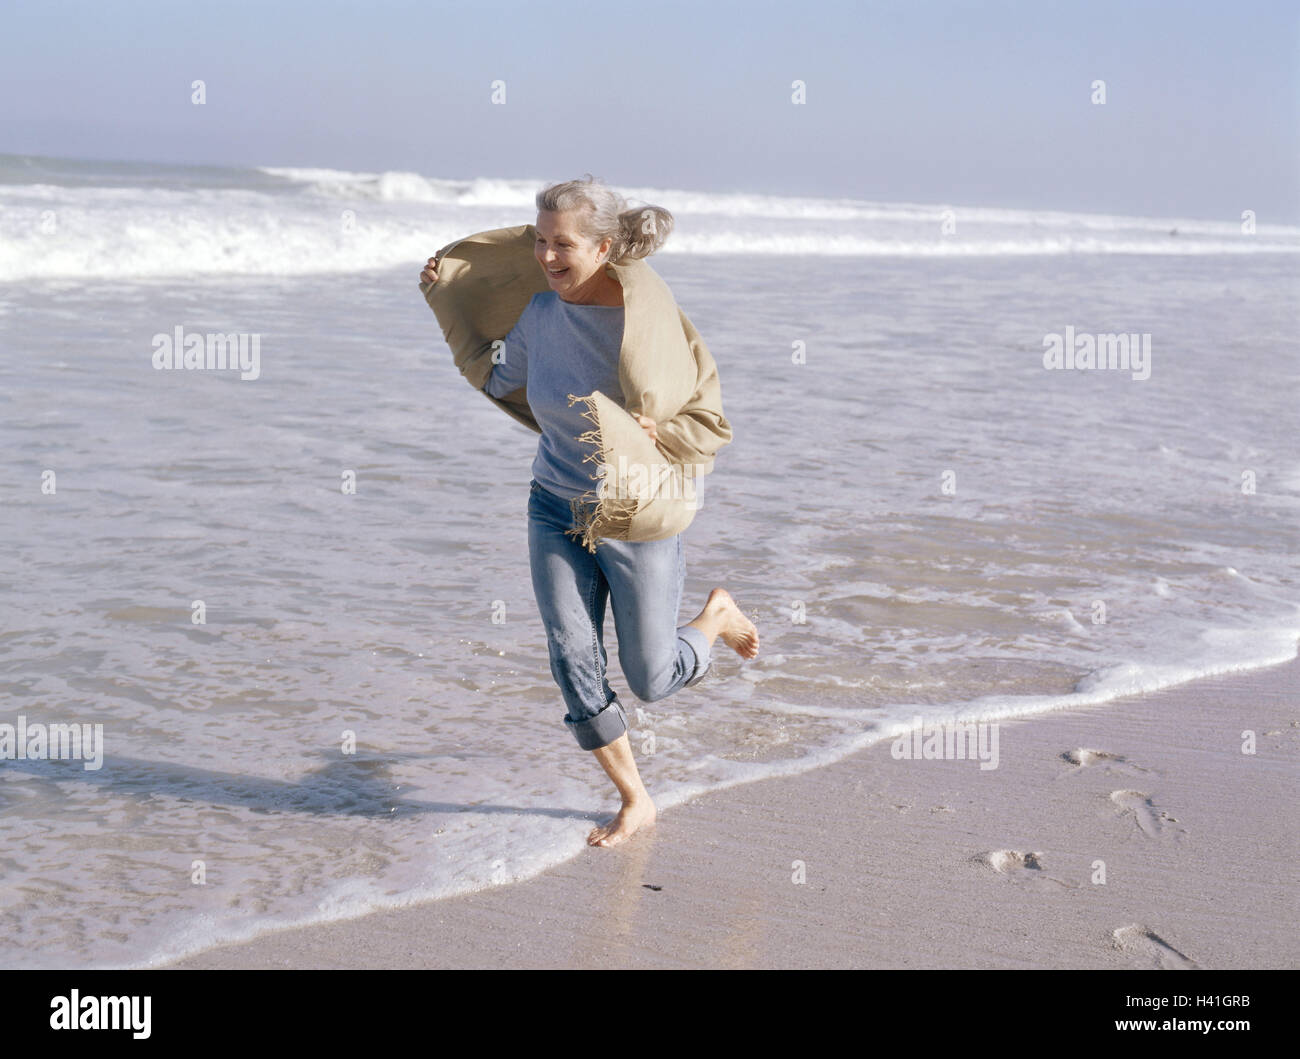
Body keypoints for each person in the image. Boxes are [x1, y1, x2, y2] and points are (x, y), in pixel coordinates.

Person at [420, 177, 758, 848]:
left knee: (652, 678)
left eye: (563, 244)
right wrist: (447, 296)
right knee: (572, 654)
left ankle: (714, 618)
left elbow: (711, 423)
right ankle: (636, 798)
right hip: (554, 504)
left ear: (604, 247)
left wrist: (654, 428)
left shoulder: (650, 327)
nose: (547, 257)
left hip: (635, 515)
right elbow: (493, 374)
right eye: (539, 241)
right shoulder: (542, 317)